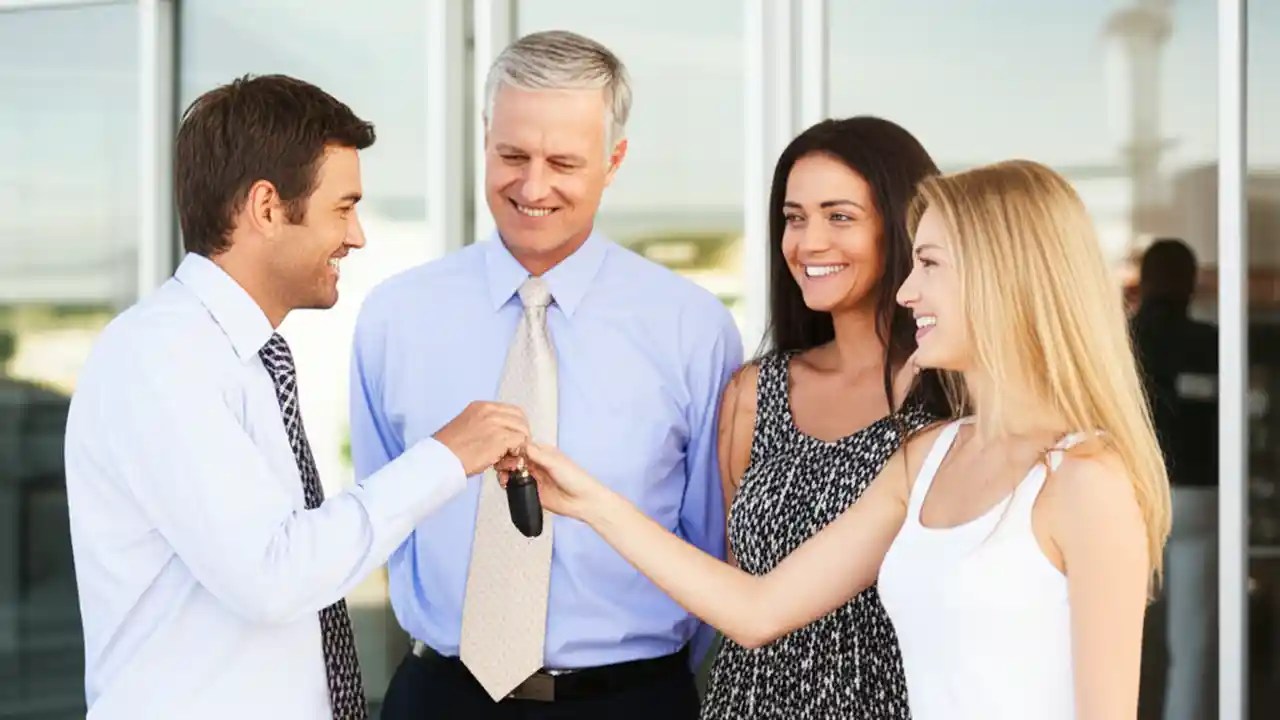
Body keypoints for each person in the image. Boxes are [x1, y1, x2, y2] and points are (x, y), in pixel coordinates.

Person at [505, 159, 1173, 720]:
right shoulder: (927, 459)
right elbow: (757, 608)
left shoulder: (1085, 482)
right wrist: (591, 502)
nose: (908, 291)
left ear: (1007, 277)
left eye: (931, 264)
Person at [63, 75, 529, 720]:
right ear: (267, 206)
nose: (357, 235)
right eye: (343, 207)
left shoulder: (244, 355)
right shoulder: (161, 356)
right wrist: (446, 457)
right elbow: (272, 574)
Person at [349, 31, 741, 719]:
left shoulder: (693, 328)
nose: (533, 187)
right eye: (512, 155)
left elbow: (710, 547)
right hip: (440, 697)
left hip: (629, 701)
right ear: (484, 141)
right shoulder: (395, 317)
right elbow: (383, 518)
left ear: (614, 160)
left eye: (563, 161)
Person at [702, 116, 949, 719]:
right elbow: (739, 585)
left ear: (901, 228)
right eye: (794, 217)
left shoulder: (954, 404)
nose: (808, 243)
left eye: (840, 216)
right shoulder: (754, 394)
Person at [1130, 238, 1219, 720]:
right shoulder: (1215, 344)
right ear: (1192, 283)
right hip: (1202, 495)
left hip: (1131, 494)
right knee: (1195, 641)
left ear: (1142, 282)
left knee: (1123, 632)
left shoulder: (1119, 340)